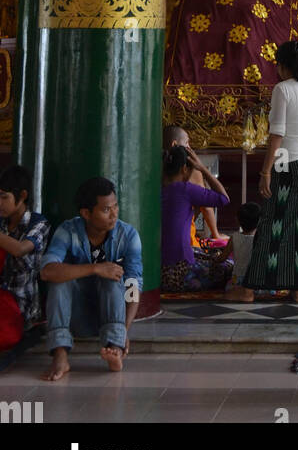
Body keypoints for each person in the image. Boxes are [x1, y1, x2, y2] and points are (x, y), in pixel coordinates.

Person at [244, 40, 298, 304]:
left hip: (286, 161)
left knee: (273, 223)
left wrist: (265, 171)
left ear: (282, 66)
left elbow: (277, 135)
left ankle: (251, 289)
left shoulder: (282, 90)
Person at [40, 176, 142, 381]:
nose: (113, 214)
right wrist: (95, 269)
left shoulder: (128, 235)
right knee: (60, 280)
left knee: (113, 278)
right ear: (86, 213)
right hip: (74, 316)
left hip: (110, 316)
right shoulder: (68, 231)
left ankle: (115, 348)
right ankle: (60, 355)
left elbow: (133, 284)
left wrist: (124, 330)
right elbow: (47, 271)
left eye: (115, 207)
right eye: (106, 210)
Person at [161, 145, 233, 292]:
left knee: (207, 255)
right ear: (184, 169)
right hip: (178, 274)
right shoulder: (185, 189)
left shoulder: (158, 187)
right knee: (229, 266)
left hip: (156, 272)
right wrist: (202, 169)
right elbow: (224, 199)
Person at [0, 164, 50, 333]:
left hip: (21, 306)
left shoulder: (38, 224)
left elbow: (20, 249)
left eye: (4, 197)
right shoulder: (2, 224)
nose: (0, 203)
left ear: (22, 196)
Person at [163, 124, 221, 246]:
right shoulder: (188, 170)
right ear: (174, 144)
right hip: (182, 242)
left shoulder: (156, 166)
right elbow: (207, 206)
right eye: (187, 143)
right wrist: (216, 235)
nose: (190, 148)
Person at [224, 201, 260, 301]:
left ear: (238, 220)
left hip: (237, 281)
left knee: (228, 287)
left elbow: (222, 258)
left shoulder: (234, 237)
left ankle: (240, 292)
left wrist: (214, 259)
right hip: (257, 282)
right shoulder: (261, 239)